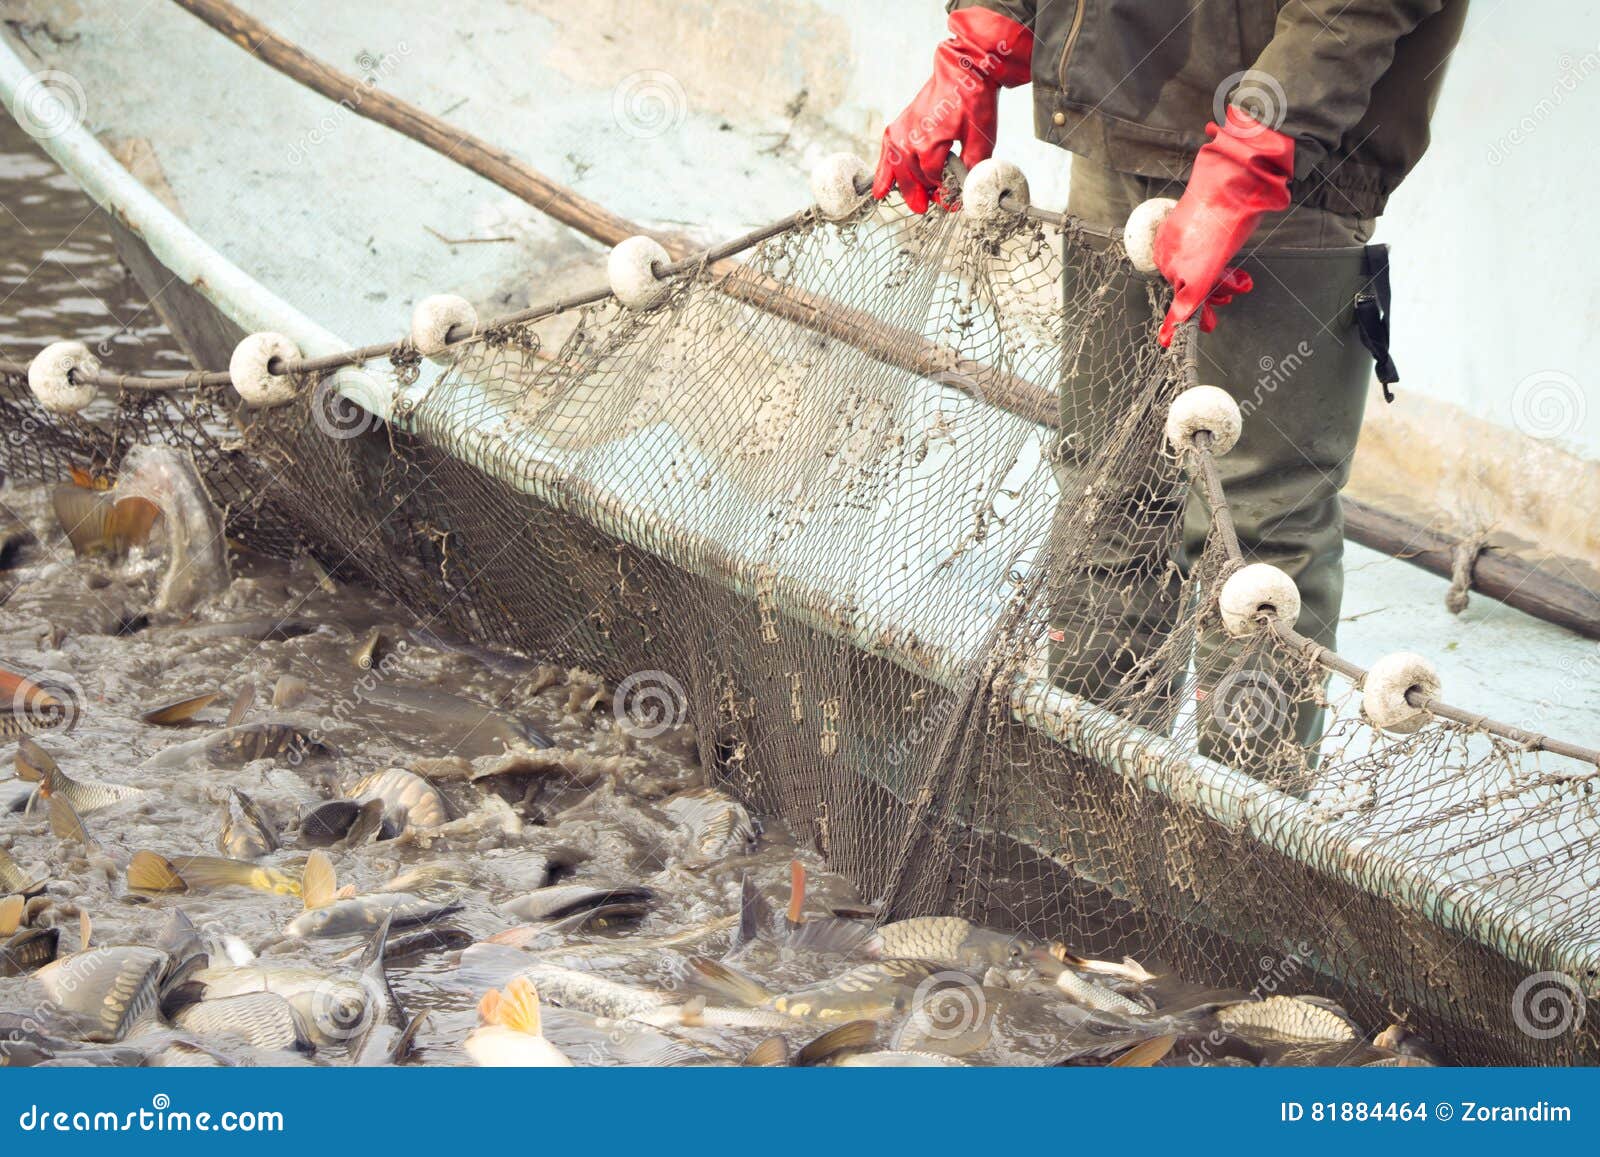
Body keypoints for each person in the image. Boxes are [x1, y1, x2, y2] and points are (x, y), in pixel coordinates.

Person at [873, 1, 1467, 771]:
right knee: (1109, 488)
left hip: (1299, 159)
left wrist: (1255, 150)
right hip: (1121, 108)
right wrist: (982, 40)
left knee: (1259, 541)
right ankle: (1088, 814)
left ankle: (1242, 849)